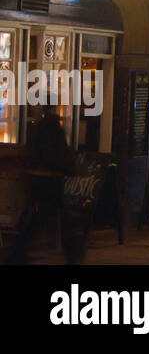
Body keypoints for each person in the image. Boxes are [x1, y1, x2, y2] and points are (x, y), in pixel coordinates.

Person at [6, 106, 75, 263]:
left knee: (36, 219)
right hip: (51, 179)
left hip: (39, 178)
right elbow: (59, 154)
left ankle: (18, 252)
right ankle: (72, 252)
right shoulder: (55, 130)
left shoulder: (37, 128)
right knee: (58, 219)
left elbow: (34, 152)